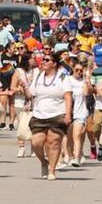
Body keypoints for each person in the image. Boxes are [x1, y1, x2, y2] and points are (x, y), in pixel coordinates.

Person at [27, 53, 73, 181]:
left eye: (47, 60)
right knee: (36, 142)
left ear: (54, 63)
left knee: (53, 141)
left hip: (57, 114)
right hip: (39, 114)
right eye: (43, 60)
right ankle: (43, 161)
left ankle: (52, 170)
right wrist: (23, 85)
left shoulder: (63, 77)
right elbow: (30, 94)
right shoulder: (38, 76)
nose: (43, 62)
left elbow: (68, 96)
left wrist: (68, 114)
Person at [62, 56, 93, 168]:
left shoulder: (84, 81)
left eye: (81, 70)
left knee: (77, 135)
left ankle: (76, 158)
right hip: (69, 112)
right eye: (77, 70)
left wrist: (86, 79)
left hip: (81, 111)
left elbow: (86, 93)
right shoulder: (68, 79)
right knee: (68, 137)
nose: (79, 72)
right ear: (73, 69)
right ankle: (69, 156)